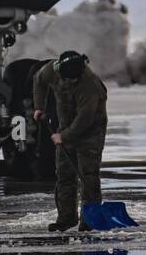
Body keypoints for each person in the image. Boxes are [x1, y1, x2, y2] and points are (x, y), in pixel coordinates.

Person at [33, 51, 108, 232]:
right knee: (64, 175)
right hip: (65, 126)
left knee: (88, 175)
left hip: (91, 131)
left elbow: (85, 118)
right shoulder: (52, 70)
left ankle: (89, 220)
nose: (70, 82)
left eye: (74, 79)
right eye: (68, 79)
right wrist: (39, 107)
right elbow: (38, 80)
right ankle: (66, 218)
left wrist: (64, 136)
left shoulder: (90, 84)